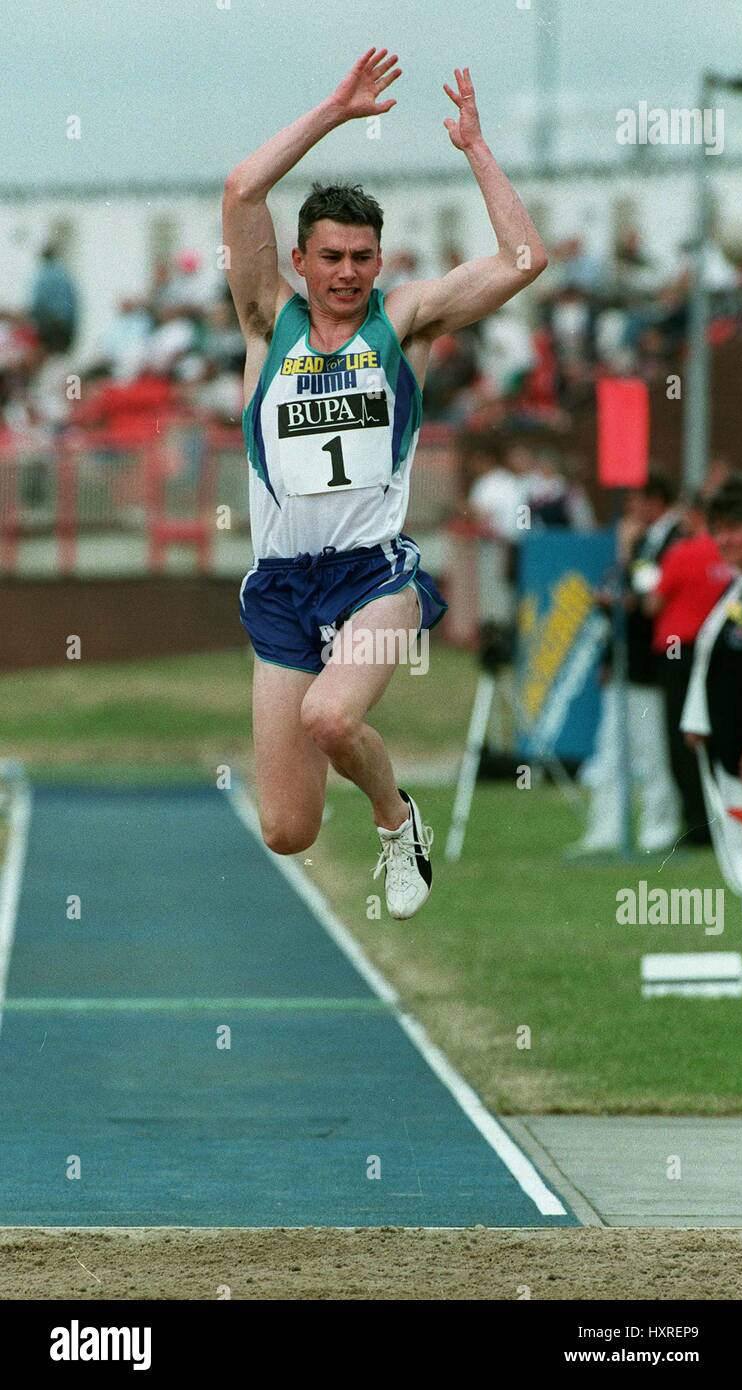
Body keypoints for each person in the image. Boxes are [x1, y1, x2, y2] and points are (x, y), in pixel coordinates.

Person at [222, 49, 548, 918]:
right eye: (330, 257)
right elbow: (243, 190)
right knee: (286, 829)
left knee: (332, 718)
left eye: (363, 256)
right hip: (284, 584)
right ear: (300, 258)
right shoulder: (267, 320)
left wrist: (475, 149)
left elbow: (522, 258)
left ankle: (396, 823)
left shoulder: (404, 321)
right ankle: (380, 810)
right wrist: (333, 111)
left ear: (379, 259)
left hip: (375, 576)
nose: (348, 273)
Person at [569, 472, 683, 855]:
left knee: (652, 750)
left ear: (655, 499)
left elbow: (648, 598)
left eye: (637, 499)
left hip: (650, 665)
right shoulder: (643, 542)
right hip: (625, 662)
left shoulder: (673, 540)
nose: (631, 508)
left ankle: (660, 826)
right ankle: (606, 827)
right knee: (611, 747)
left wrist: (623, 586)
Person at [680, 476, 742, 938]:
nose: (721, 539)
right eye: (716, 529)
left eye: (733, 527)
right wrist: (699, 719)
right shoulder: (738, 591)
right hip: (727, 755)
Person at [646, 493, 733, 843]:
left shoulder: (682, 553)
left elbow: (654, 603)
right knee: (715, 731)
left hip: (676, 651)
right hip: (720, 652)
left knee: (682, 736)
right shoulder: (729, 555)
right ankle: (721, 816)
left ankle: (697, 821)